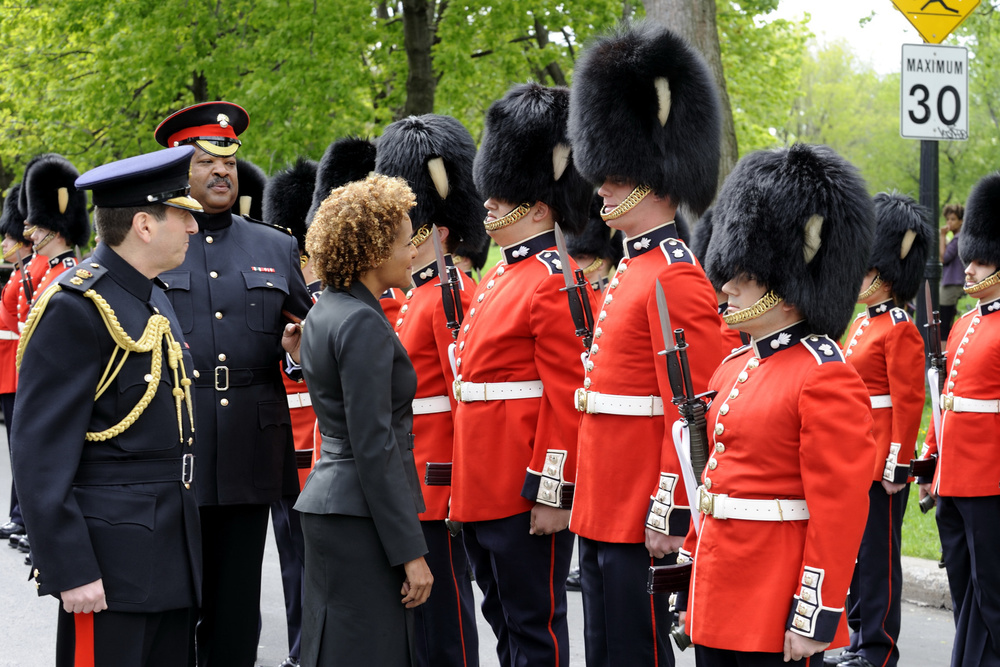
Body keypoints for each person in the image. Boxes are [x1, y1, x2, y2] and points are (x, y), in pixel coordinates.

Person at [678, 143, 877, 666]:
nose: (729, 286)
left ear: (789, 287)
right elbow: (713, 486)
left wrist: (816, 613)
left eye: (748, 276)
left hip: (773, 602)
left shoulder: (824, 375)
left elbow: (839, 512)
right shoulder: (733, 367)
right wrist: (690, 574)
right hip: (718, 592)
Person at [566, 22, 726, 666]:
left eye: (613, 171)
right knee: (605, 648)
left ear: (649, 172)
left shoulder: (676, 275)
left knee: (637, 652)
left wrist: (670, 507)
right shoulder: (631, 269)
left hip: (638, 502)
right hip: (602, 497)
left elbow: (692, 407)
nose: (599, 184)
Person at [11, 146, 203, 666]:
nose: (192, 226)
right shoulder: (75, 306)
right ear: (144, 223)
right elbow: (39, 454)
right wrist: (70, 567)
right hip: (107, 564)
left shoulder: (151, 296)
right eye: (182, 213)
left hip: (169, 551)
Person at [153, 101, 312, 666]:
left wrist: (296, 359)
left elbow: (308, 335)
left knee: (238, 608)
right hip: (175, 446)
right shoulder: (155, 239)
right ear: (179, 170)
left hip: (251, 445)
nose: (222, 172)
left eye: (229, 163)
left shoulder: (274, 246)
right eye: (204, 162)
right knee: (173, 601)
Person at [450, 82, 595, 667]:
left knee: (536, 628)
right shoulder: (498, 279)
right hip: (484, 483)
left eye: (501, 194)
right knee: (503, 621)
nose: (486, 203)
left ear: (538, 206)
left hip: (522, 487)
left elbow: (567, 396)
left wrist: (554, 492)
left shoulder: (555, 278)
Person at [294, 173, 432, 667]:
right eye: (404, 242)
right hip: (359, 516)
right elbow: (374, 446)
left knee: (333, 646)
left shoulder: (326, 311)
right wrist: (410, 552)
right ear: (374, 251)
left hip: (334, 506)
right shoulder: (361, 322)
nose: (413, 251)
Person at [376, 113, 485, 667]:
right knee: (420, 625)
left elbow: (461, 395)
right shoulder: (418, 295)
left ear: (436, 231)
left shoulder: (449, 293)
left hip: (436, 480)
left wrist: (456, 487)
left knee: (447, 625)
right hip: (410, 476)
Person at [825, 193, 931, 667]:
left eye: (867, 271)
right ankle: (857, 638)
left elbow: (908, 405)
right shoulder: (862, 324)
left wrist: (897, 465)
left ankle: (878, 647)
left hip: (880, 461)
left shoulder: (899, 328)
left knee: (879, 561)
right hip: (855, 454)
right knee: (856, 555)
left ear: (885, 274)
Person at [917, 171, 1000, 667]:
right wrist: (931, 462)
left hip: (990, 481)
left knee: (992, 591)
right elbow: (945, 399)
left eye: (981, 259)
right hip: (954, 480)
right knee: (965, 588)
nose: (967, 268)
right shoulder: (966, 323)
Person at [10, 153, 91, 559]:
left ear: (54, 225)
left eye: (35, 224)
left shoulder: (67, 271)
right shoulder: (45, 270)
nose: (27, 230)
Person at [261, 157, 319, 667]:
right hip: (286, 444)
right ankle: (302, 652)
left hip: (317, 446)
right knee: (293, 564)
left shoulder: (326, 298)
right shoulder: (286, 292)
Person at [0, 184, 37, 546]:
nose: (5, 244)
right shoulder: (20, 272)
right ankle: (19, 516)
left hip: (20, 366)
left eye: (9, 238)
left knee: (24, 448)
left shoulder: (37, 269)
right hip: (10, 366)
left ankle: (26, 519)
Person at [938, 202, 964, 342]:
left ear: (961, 221)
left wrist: (942, 236)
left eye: (953, 219)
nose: (949, 222)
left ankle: (943, 358)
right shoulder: (956, 238)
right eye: (948, 219)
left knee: (943, 324)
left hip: (951, 285)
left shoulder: (958, 239)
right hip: (952, 283)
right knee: (947, 323)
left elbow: (944, 258)